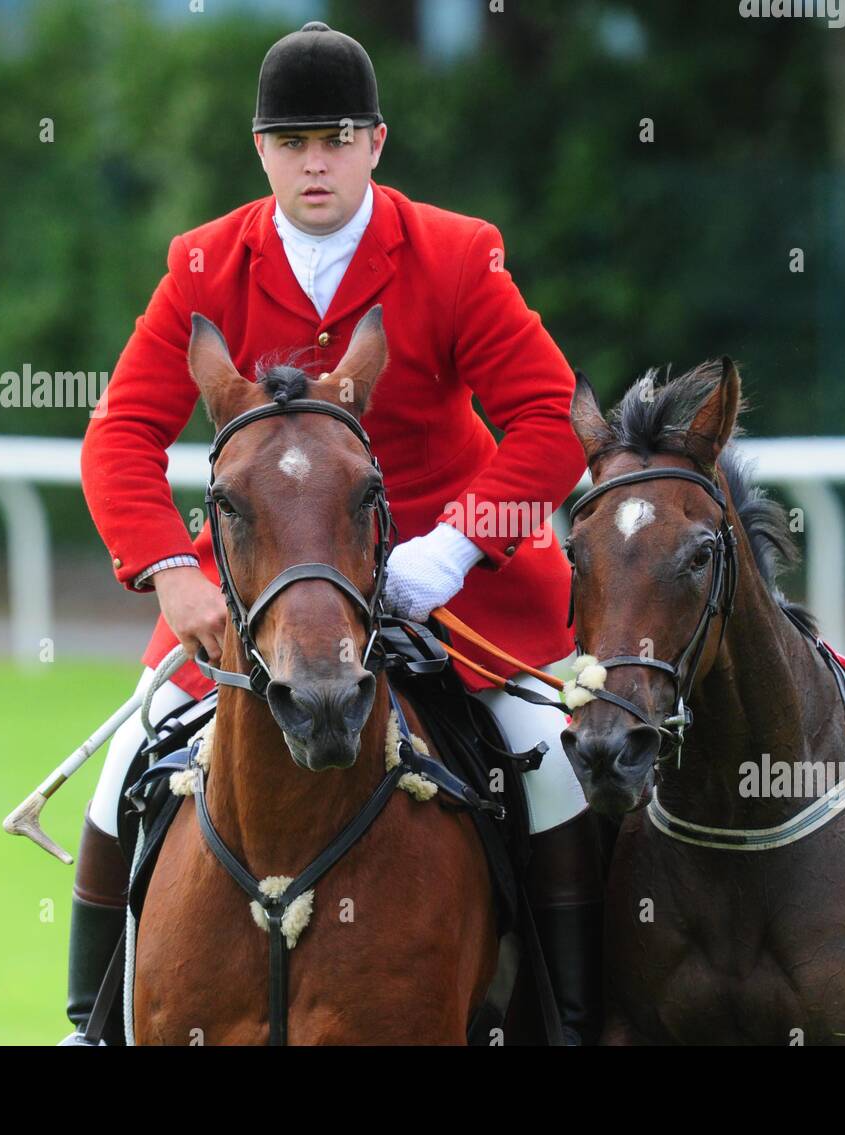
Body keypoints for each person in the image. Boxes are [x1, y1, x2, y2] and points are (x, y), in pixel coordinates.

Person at [65, 21, 602, 1045]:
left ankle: (574, 1018)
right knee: (126, 759)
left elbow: (547, 416)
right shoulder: (204, 262)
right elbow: (119, 435)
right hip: (259, 585)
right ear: (261, 150)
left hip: (449, 584)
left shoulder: (453, 253)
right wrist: (174, 573)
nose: (316, 161)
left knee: (547, 756)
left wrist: (449, 548)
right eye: (293, 140)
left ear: (376, 144)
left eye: (338, 137)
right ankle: (87, 1027)